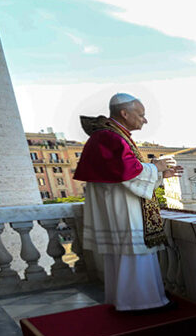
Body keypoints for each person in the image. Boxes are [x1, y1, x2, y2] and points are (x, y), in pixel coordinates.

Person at [74, 93, 182, 312]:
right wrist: (156, 166)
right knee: (134, 254)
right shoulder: (110, 137)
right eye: (141, 115)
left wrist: (161, 174)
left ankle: (130, 299)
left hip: (120, 206)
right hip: (123, 209)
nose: (145, 120)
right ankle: (142, 303)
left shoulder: (111, 134)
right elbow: (127, 172)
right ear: (124, 113)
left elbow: (128, 173)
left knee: (127, 257)